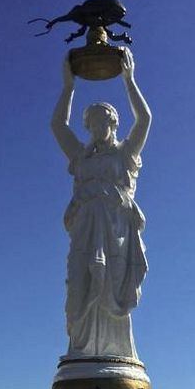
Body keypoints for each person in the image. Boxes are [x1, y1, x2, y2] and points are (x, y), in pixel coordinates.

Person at [52, 48, 151, 359]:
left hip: (114, 233)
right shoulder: (81, 158)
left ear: (113, 124)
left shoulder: (125, 155)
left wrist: (129, 80)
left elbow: (145, 119)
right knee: (78, 289)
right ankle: (80, 352)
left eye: (101, 123)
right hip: (84, 231)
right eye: (91, 125)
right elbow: (58, 126)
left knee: (112, 287)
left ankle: (115, 354)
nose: (96, 129)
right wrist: (68, 87)